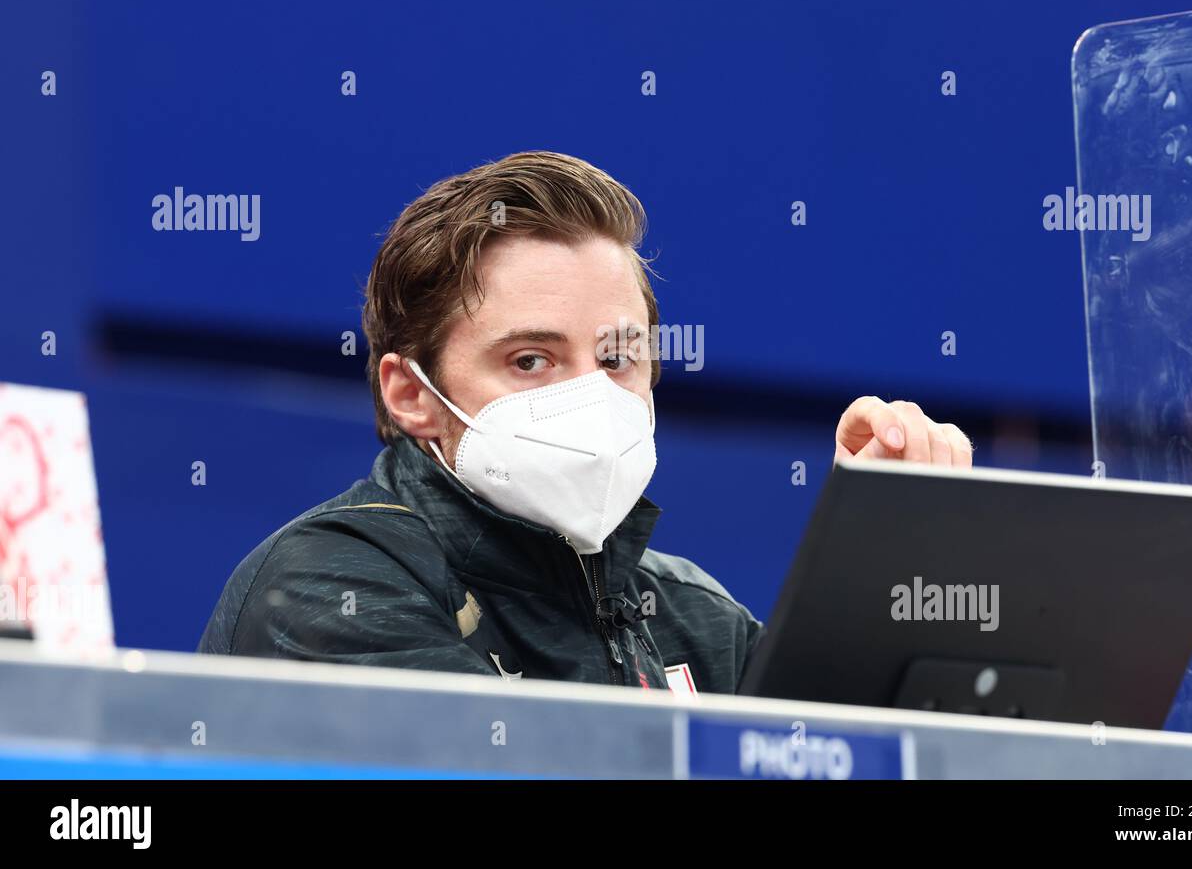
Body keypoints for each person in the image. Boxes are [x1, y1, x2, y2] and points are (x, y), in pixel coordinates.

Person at [198, 151, 972, 693]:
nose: (591, 396)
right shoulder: (330, 587)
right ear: (412, 394)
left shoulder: (692, 617)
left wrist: (878, 560)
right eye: (531, 360)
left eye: (618, 358)